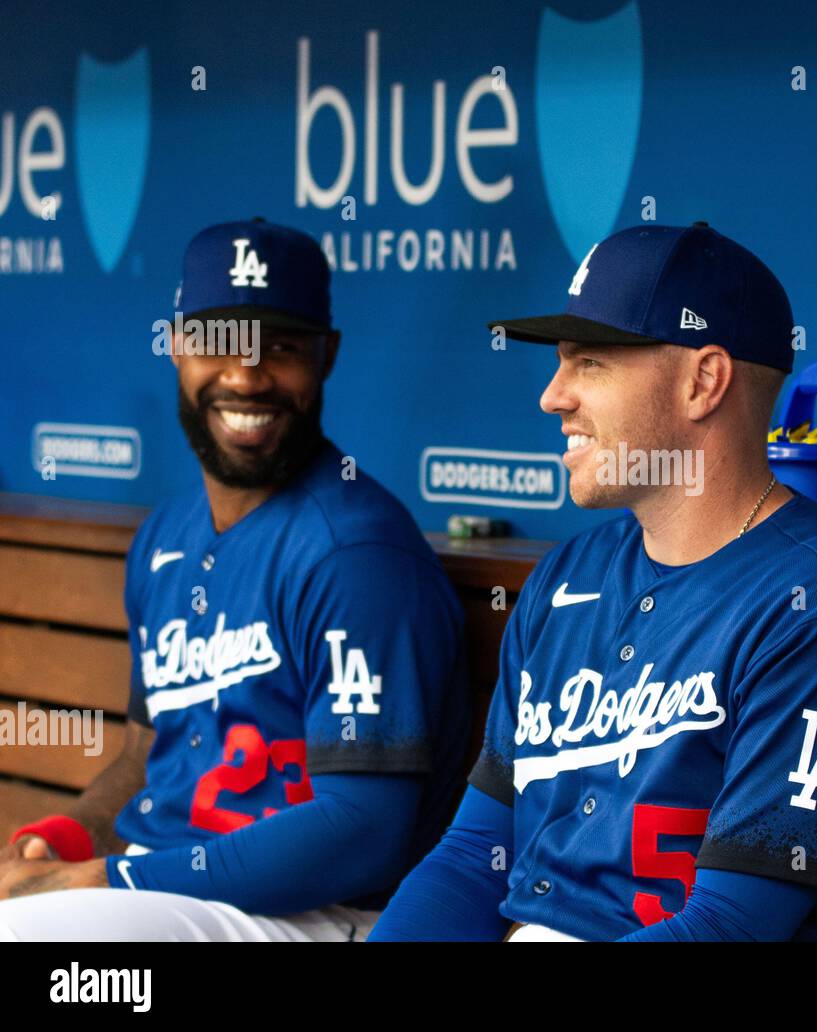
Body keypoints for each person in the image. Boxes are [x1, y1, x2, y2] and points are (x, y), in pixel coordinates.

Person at [371, 222, 817, 942]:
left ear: (703, 381)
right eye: (559, 363)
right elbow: (471, 859)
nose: (553, 396)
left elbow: (730, 928)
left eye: (591, 364)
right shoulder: (565, 580)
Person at [0, 219, 469, 941]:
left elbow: (364, 829)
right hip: (158, 886)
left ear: (326, 357)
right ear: (179, 346)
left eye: (279, 347)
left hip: (311, 913)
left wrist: (100, 878)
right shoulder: (164, 537)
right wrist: (72, 835)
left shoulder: (356, 554)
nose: (247, 377)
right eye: (221, 343)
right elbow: (142, 754)